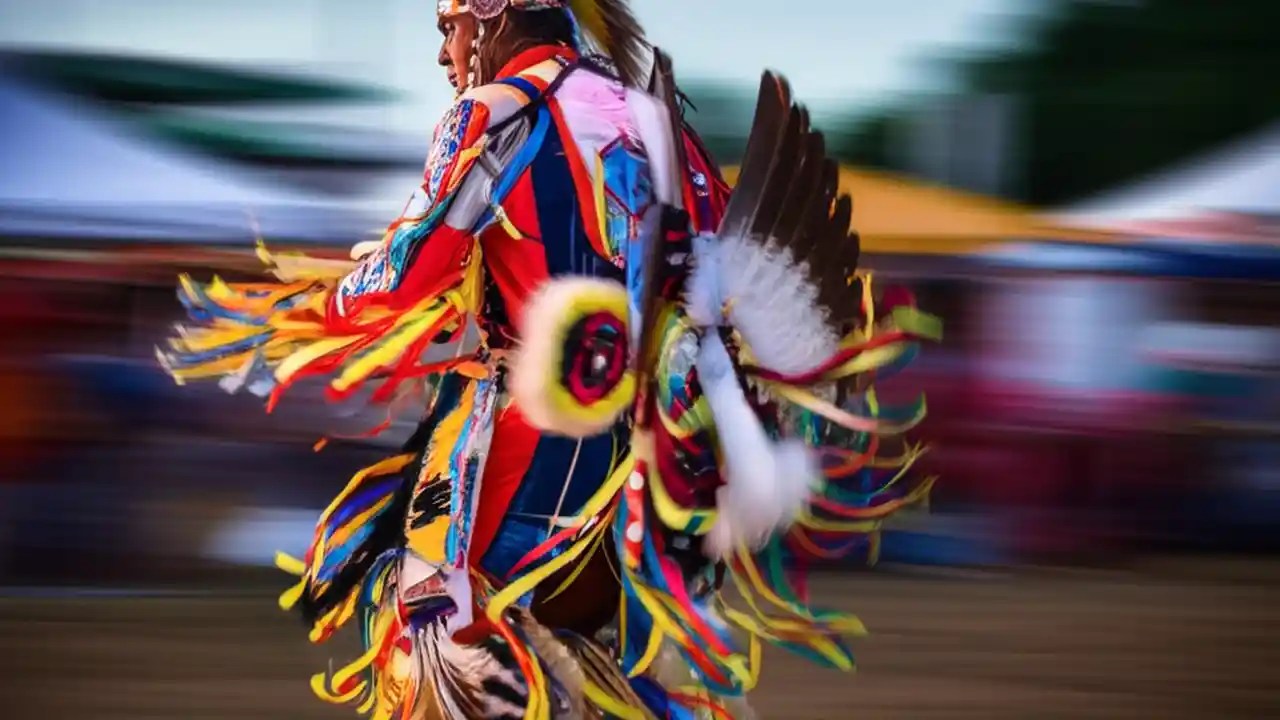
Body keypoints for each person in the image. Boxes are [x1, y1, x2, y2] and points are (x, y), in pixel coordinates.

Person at [161, 1, 940, 717]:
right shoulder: (653, 121)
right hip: (655, 467)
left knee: (436, 641)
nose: (445, 52)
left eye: (449, 27)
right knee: (590, 668)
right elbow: (709, 272)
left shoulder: (496, 113)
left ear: (494, 12)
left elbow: (407, 271)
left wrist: (319, 307)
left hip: (526, 444)